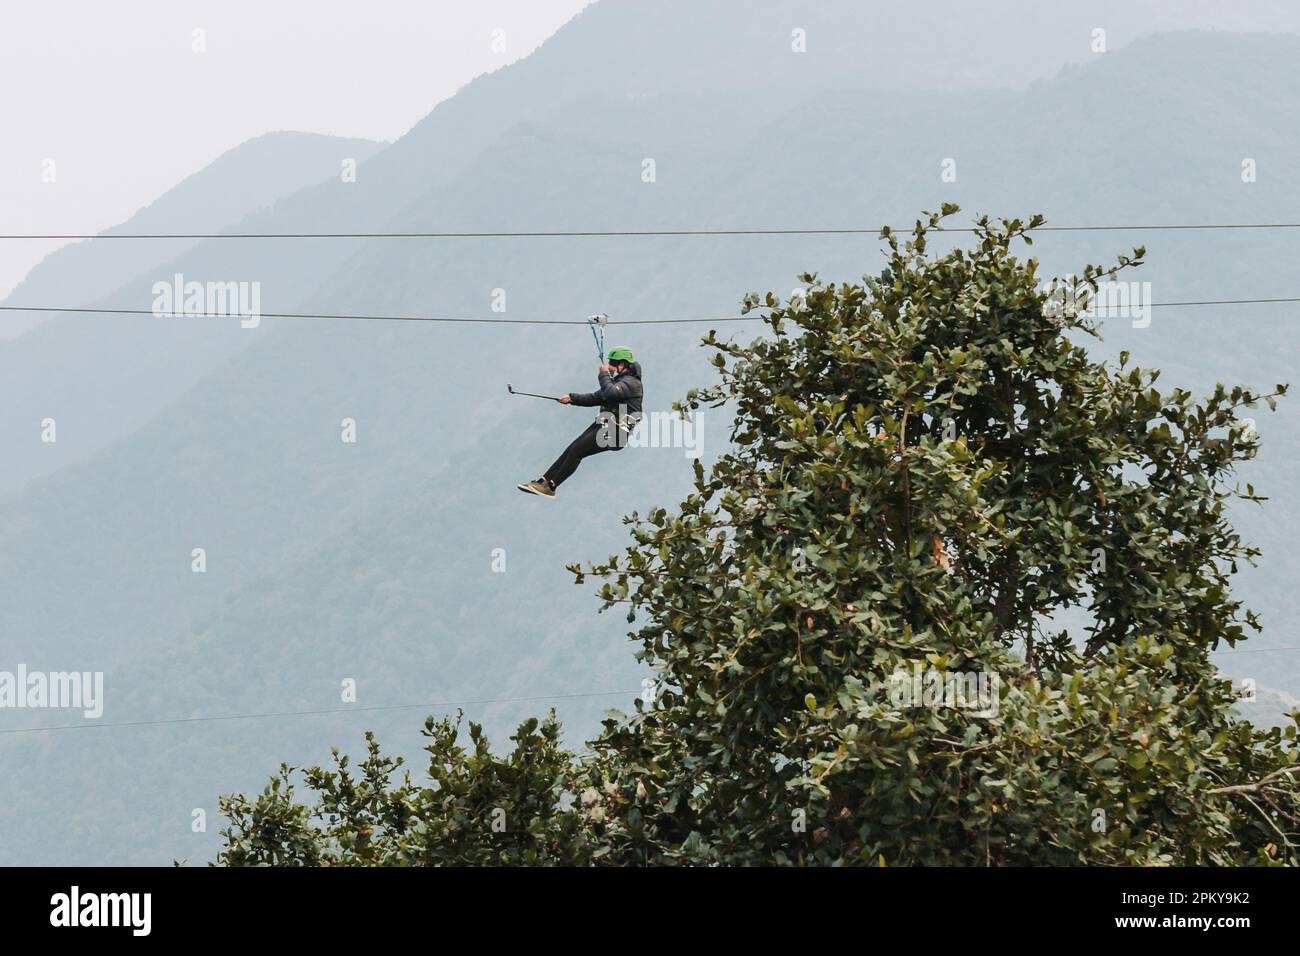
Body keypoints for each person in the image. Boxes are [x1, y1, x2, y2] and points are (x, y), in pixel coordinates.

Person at [517, 347, 643, 499]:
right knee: (572, 448)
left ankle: (551, 487)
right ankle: (543, 481)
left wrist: (603, 374)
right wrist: (572, 398)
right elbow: (596, 397)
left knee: (577, 450)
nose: (611, 366)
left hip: (616, 432)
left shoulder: (631, 383)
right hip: (607, 426)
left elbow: (610, 392)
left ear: (623, 365)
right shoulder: (618, 382)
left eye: (613, 363)